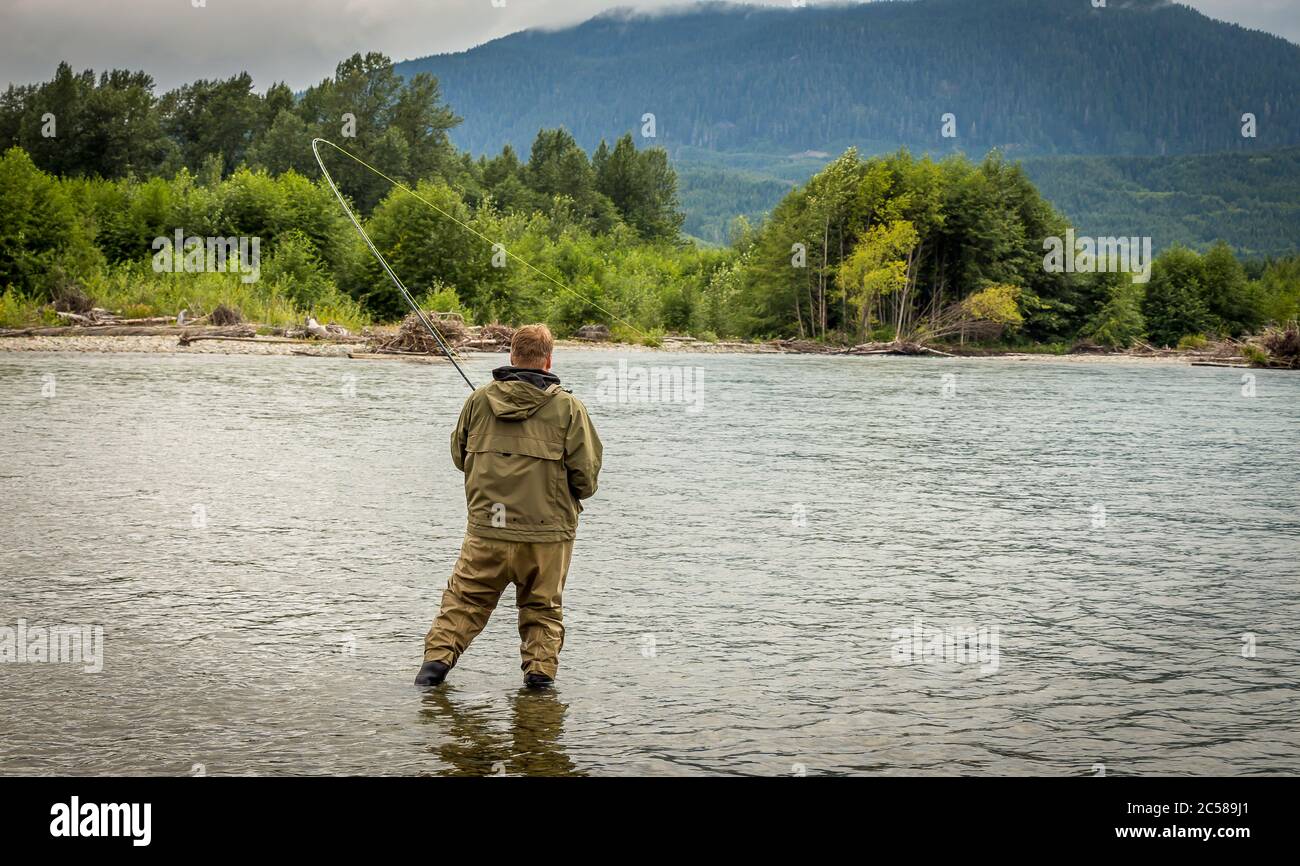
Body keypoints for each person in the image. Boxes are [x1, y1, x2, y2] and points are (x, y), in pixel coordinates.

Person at [415, 324, 603, 689]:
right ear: (549, 360)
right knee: (542, 612)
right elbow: (587, 480)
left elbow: (459, 456)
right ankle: (538, 697)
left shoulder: (479, 400)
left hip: (487, 530)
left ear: (512, 357)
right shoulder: (569, 409)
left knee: (463, 604)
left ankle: (429, 680)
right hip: (546, 538)